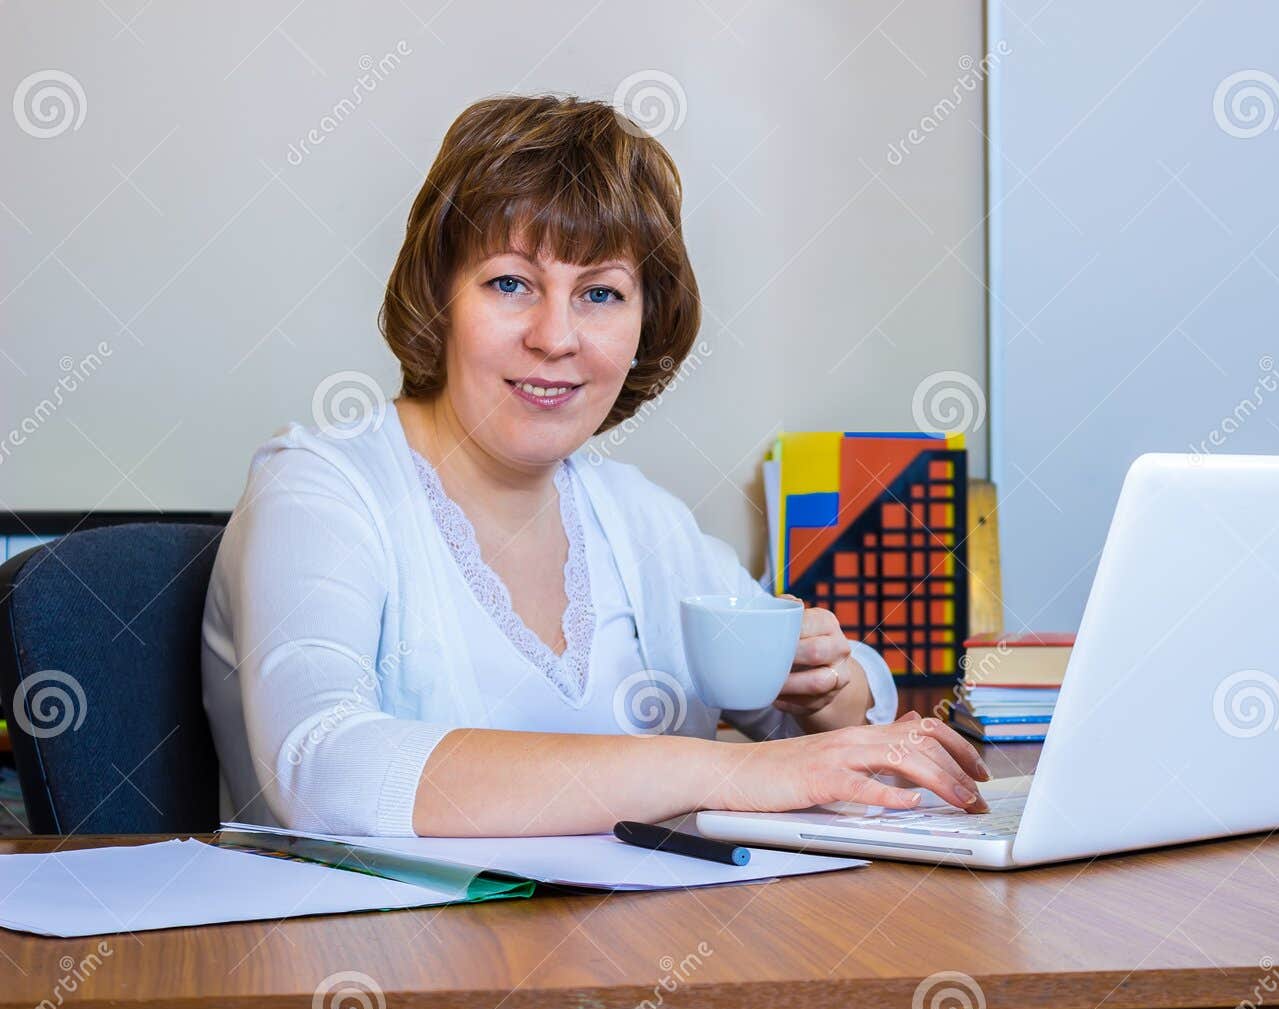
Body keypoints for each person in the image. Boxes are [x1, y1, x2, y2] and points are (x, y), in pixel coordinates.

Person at [200, 94, 988, 837]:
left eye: (601, 294)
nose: (555, 336)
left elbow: (822, 722)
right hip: (376, 970)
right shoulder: (318, 489)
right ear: (438, 297)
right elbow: (322, 770)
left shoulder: (636, 516)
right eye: (511, 283)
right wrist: (723, 770)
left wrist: (827, 692)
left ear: (648, 321)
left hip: (637, 965)